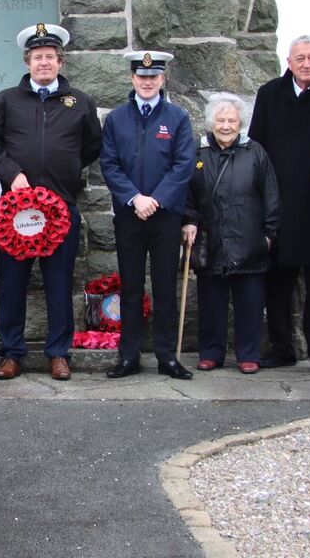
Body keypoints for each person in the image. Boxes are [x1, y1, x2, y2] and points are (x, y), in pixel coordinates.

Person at [0, 23, 102, 381]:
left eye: (49, 56)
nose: (43, 62)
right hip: (15, 212)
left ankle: (59, 353)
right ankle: (11, 353)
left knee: (59, 285)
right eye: (37, 57)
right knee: (12, 285)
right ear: (27, 62)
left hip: (61, 210)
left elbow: (92, 146)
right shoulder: (5, 100)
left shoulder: (80, 102)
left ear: (60, 61)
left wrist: (68, 169)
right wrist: (12, 174)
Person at [100, 51, 196, 379]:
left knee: (165, 286)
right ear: (132, 78)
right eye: (142, 76)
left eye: (153, 76)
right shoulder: (116, 119)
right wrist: (135, 198)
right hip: (130, 215)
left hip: (165, 215)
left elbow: (184, 164)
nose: (147, 81)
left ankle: (167, 358)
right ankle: (129, 357)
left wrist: (155, 200)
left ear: (162, 79)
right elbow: (109, 165)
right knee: (131, 288)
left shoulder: (178, 117)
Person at [247, 35, 310, 373]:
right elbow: (256, 148)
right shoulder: (270, 94)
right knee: (277, 285)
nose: (307, 63)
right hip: (277, 204)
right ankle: (281, 347)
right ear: (289, 61)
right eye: (300, 58)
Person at [181, 93, 280, 374]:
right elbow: (186, 193)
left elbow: (271, 194)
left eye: (232, 121)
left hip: (249, 239)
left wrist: (269, 235)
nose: (226, 126)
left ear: (240, 124)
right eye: (221, 120)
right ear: (211, 122)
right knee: (211, 303)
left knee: (250, 302)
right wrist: (189, 221)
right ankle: (211, 352)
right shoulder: (197, 152)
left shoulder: (255, 152)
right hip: (210, 239)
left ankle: (248, 354)